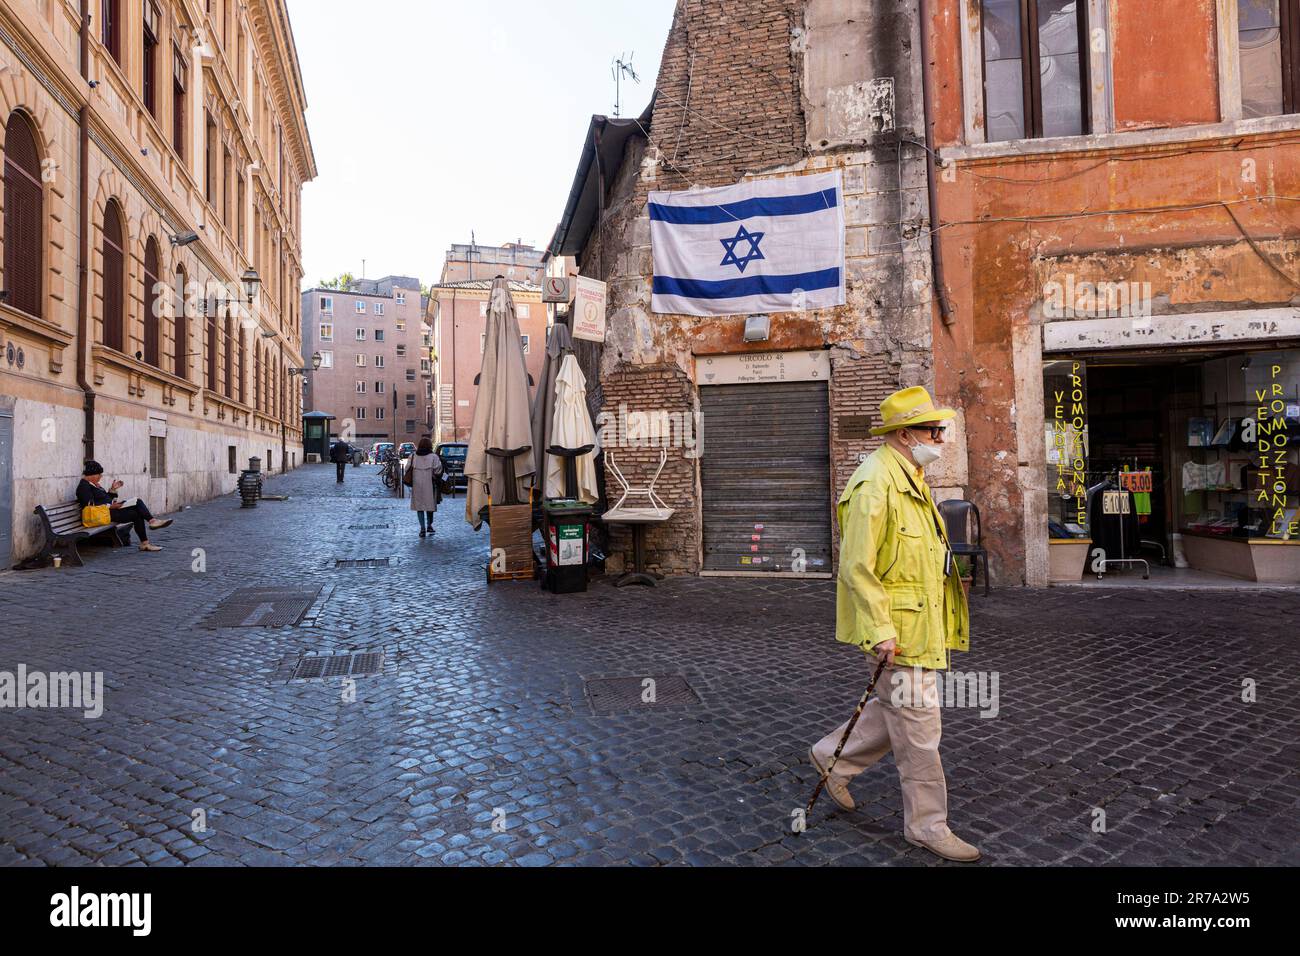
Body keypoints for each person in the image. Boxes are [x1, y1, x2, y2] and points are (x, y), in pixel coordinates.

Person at [808, 386, 977, 863]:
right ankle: (928, 825)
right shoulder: (874, 483)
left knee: (895, 708)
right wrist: (881, 628)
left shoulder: (911, 473)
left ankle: (832, 758)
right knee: (921, 730)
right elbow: (856, 566)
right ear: (905, 433)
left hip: (921, 626)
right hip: (897, 633)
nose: (941, 437)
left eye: (941, 429)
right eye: (933, 429)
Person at [75, 461, 173, 553]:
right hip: (101, 515)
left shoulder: (94, 485)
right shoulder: (84, 487)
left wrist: (113, 490)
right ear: (91, 474)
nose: (100, 477)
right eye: (99, 474)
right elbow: (90, 506)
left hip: (107, 512)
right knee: (136, 514)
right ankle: (148, 534)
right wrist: (111, 506)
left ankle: (149, 532)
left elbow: (105, 500)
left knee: (137, 502)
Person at [407, 437, 443, 537]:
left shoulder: (413, 456)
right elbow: (438, 470)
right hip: (430, 484)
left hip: (417, 484)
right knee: (430, 506)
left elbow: (407, 468)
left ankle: (422, 528)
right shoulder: (434, 457)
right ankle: (429, 525)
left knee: (419, 507)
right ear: (430, 446)